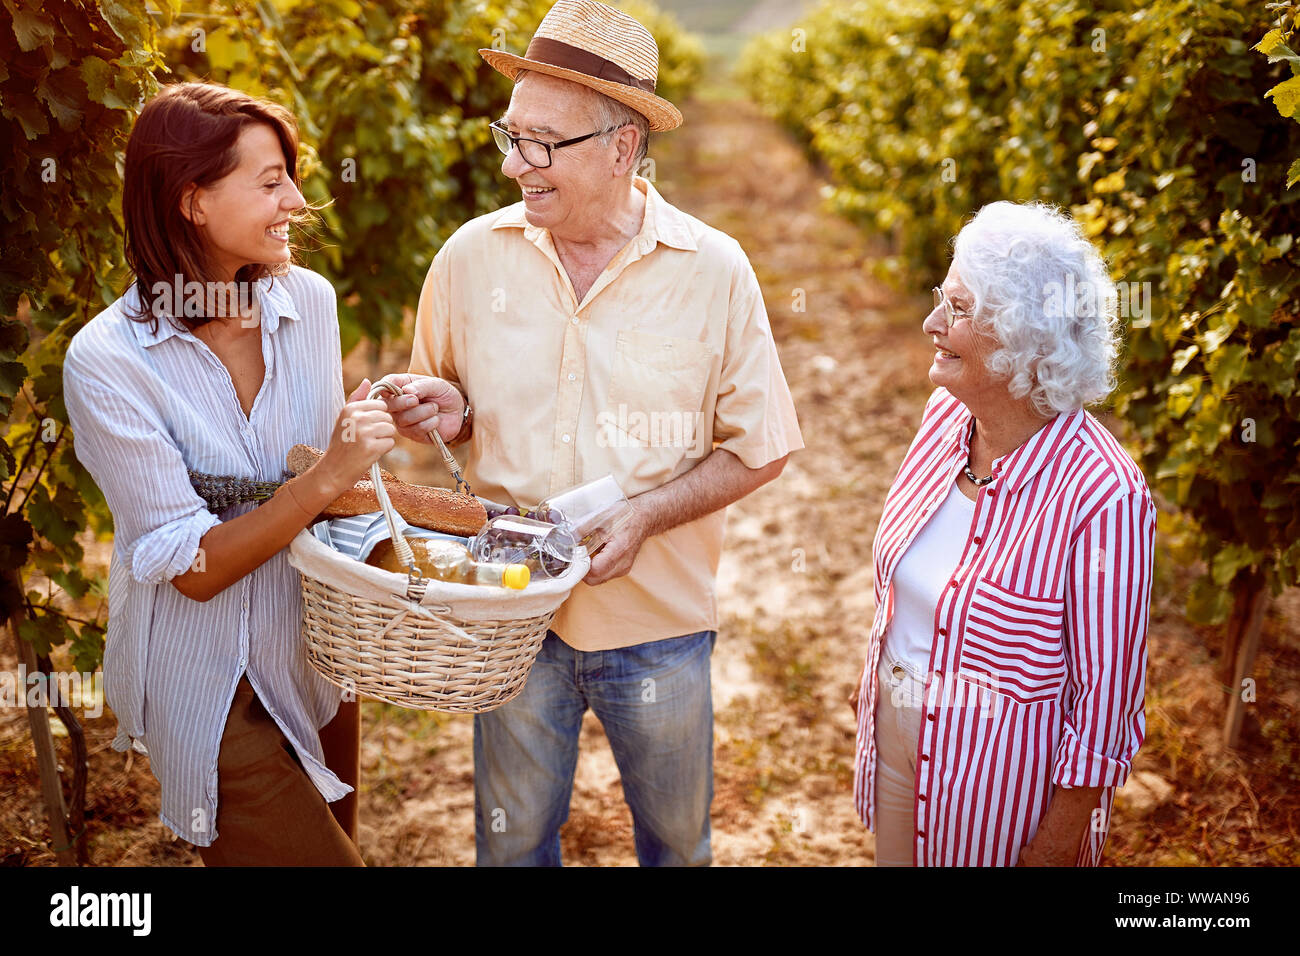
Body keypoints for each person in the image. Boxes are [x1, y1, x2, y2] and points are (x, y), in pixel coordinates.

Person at [380, 0, 803, 866]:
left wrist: (646, 516)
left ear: (621, 146)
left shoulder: (712, 271)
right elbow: (448, 415)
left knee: (678, 848)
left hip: (657, 620)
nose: (515, 165)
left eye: (543, 142)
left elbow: (761, 445)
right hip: (508, 610)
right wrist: (445, 413)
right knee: (513, 848)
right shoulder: (468, 259)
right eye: (510, 134)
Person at [63, 82, 396, 865]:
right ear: (192, 202)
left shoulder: (309, 304)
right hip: (210, 687)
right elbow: (193, 571)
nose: (299, 203)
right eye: (271, 181)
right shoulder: (108, 361)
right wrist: (319, 482)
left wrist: (372, 430)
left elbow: (330, 479)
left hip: (315, 657)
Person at [849, 200, 1156, 867]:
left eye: (957, 309)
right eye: (941, 299)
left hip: (999, 791)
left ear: (1026, 337)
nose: (932, 323)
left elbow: (1105, 710)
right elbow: (905, 582)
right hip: (897, 728)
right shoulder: (944, 418)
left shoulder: (1105, 495)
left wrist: (1049, 850)